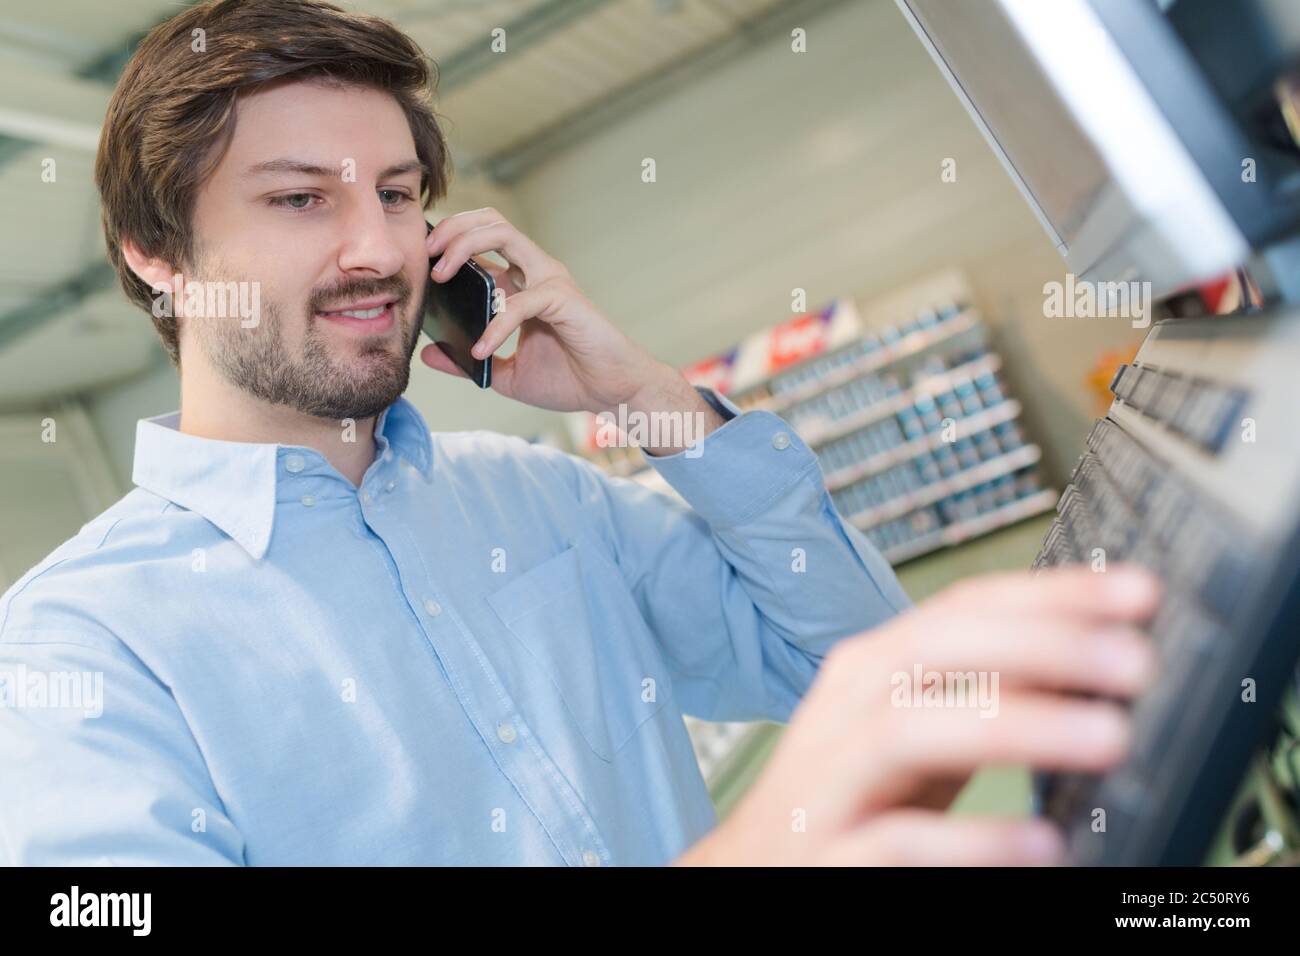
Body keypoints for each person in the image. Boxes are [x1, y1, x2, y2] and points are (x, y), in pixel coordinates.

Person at [0, 0, 1159, 866]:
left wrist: (644, 395)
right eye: (301, 199)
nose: (376, 249)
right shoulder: (79, 648)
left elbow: (854, 661)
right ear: (158, 255)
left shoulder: (539, 502)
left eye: (398, 195)